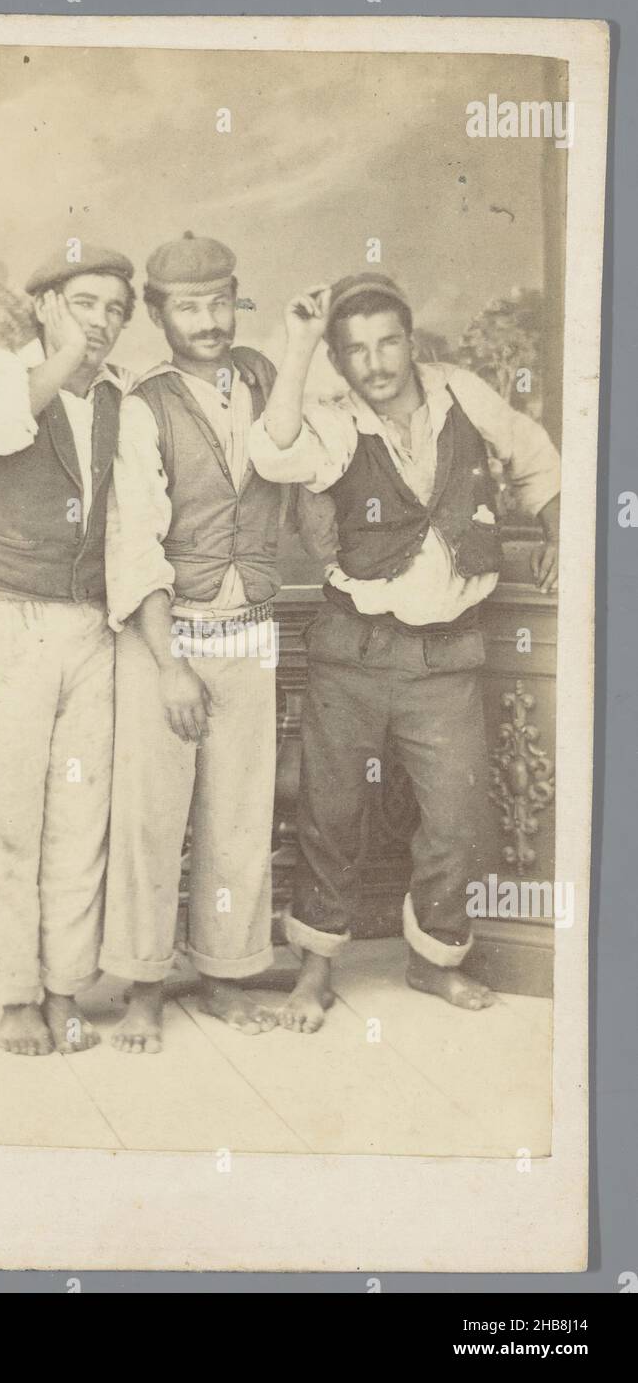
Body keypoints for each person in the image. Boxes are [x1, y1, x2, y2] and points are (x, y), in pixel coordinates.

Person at [249, 272, 560, 1030]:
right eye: (356, 350)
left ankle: (434, 959)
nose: (377, 362)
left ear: (411, 341)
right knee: (331, 813)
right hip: (353, 653)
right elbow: (274, 454)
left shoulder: (461, 393)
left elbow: (533, 454)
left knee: (456, 816)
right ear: (339, 360)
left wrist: (557, 526)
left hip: (447, 656)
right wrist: (299, 345)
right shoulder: (332, 421)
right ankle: (317, 967)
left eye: (389, 343)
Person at [0, 244, 136, 1055]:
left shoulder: (121, 397)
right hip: (8, 620)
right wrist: (63, 356)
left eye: (115, 310)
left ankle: (65, 987)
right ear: (45, 306)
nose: (101, 322)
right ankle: (13, 993)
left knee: (80, 815)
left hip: (91, 625)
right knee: (6, 816)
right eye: (84, 303)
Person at [99, 232, 281, 1053]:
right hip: (165, 643)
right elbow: (134, 540)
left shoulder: (267, 383)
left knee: (238, 819)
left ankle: (225, 976)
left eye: (220, 302)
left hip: (251, 635)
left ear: (237, 299)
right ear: (157, 313)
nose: (208, 321)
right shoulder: (145, 405)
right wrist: (170, 665)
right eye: (188, 306)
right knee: (151, 821)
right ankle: (143, 987)